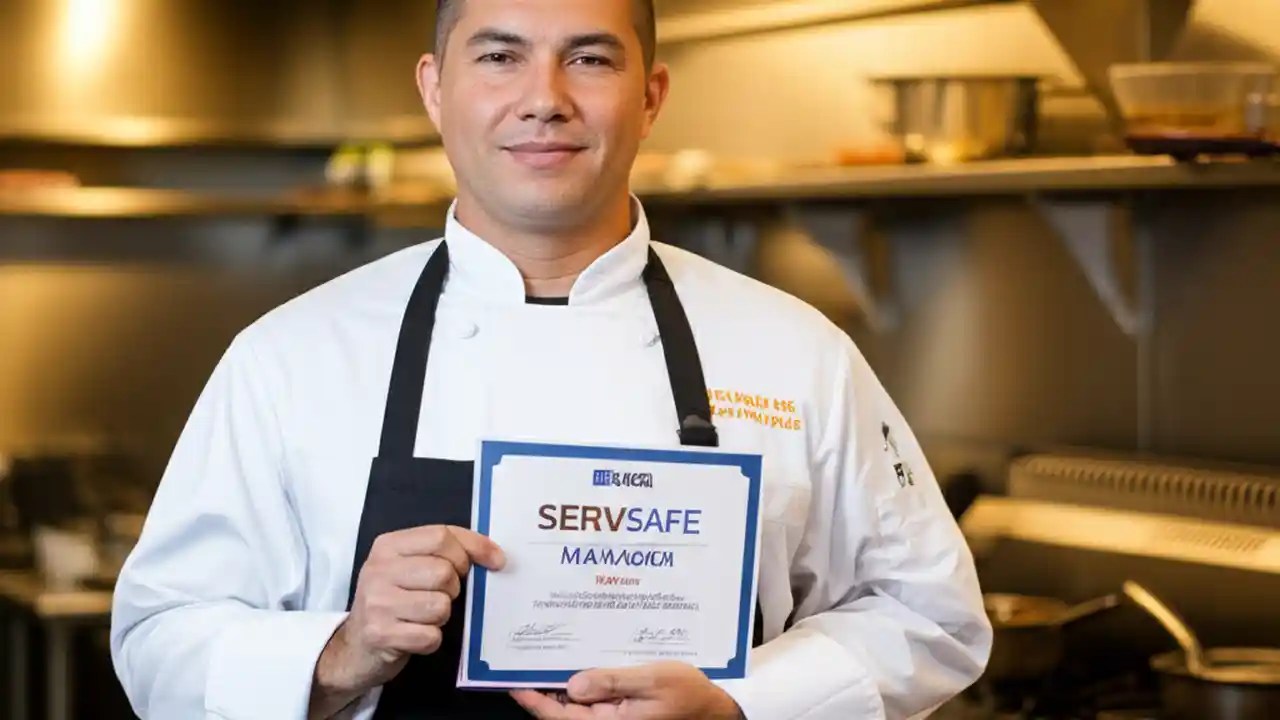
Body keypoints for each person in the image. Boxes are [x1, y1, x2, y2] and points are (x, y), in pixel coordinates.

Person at [108, 0, 992, 717]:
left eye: (591, 59)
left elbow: (930, 615)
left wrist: (743, 706)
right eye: (499, 57)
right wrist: (341, 653)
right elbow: (159, 636)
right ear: (433, 89)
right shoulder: (290, 357)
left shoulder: (795, 353)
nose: (545, 98)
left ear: (650, 97)